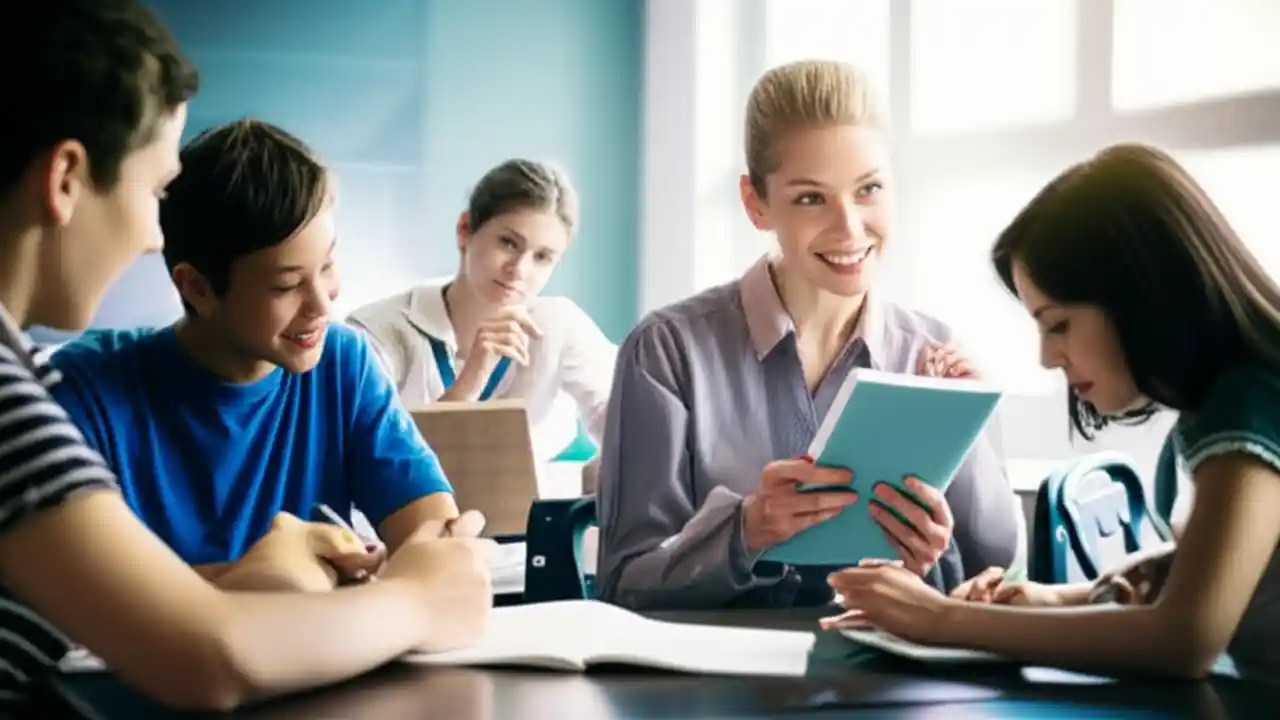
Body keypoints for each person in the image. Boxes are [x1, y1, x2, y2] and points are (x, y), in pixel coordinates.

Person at [0, 0, 492, 713]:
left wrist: (255, 582)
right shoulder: (29, 396)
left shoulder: (21, 378)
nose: (148, 235)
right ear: (67, 179)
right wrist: (419, 599)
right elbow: (207, 654)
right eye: (151, 190)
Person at [825, 143, 1280, 682]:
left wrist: (940, 617)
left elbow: (1184, 639)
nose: (1046, 358)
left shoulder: (1248, 407)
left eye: (1059, 325)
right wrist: (1053, 600)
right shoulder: (1226, 408)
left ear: (1143, 296)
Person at [595, 60, 1021, 611]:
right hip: (718, 690)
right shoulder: (667, 351)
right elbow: (623, 581)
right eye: (810, 198)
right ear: (756, 204)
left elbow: (994, 564)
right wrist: (744, 532)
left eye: (868, 189)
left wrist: (972, 438)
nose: (849, 227)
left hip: (895, 676)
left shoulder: (932, 350)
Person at [47, 116, 472, 580]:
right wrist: (261, 579)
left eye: (327, 265)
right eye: (286, 285)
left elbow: (431, 540)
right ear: (198, 288)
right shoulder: (89, 389)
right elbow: (74, 592)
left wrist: (439, 551)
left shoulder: (342, 364)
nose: (322, 304)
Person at [348, 159, 616, 465]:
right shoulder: (376, 331)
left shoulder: (559, 325)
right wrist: (470, 383)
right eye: (508, 243)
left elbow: (620, 422)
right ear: (465, 230)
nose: (519, 270)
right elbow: (373, 462)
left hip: (531, 513)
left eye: (542, 257)